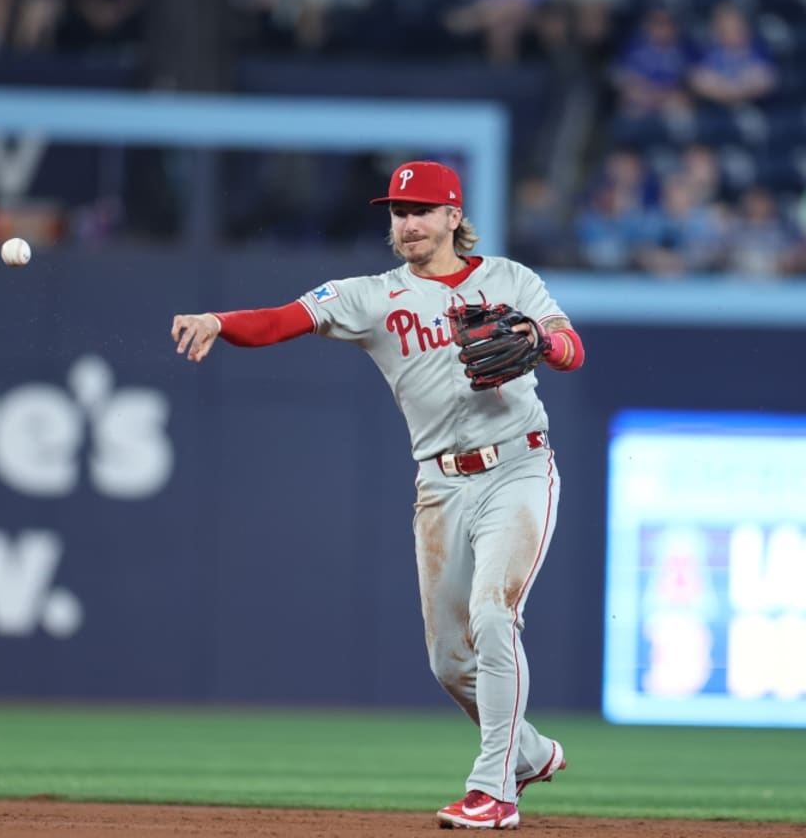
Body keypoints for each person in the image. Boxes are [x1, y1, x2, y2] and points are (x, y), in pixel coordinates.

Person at [171, 161, 582, 830]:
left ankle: (495, 791)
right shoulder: (372, 295)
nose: (409, 222)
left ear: (454, 217)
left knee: (493, 614)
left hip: (519, 469)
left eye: (423, 209)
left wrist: (538, 338)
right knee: (450, 660)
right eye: (398, 211)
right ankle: (528, 752)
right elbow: (283, 320)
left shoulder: (510, 280)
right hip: (441, 484)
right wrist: (219, 319)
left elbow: (572, 348)